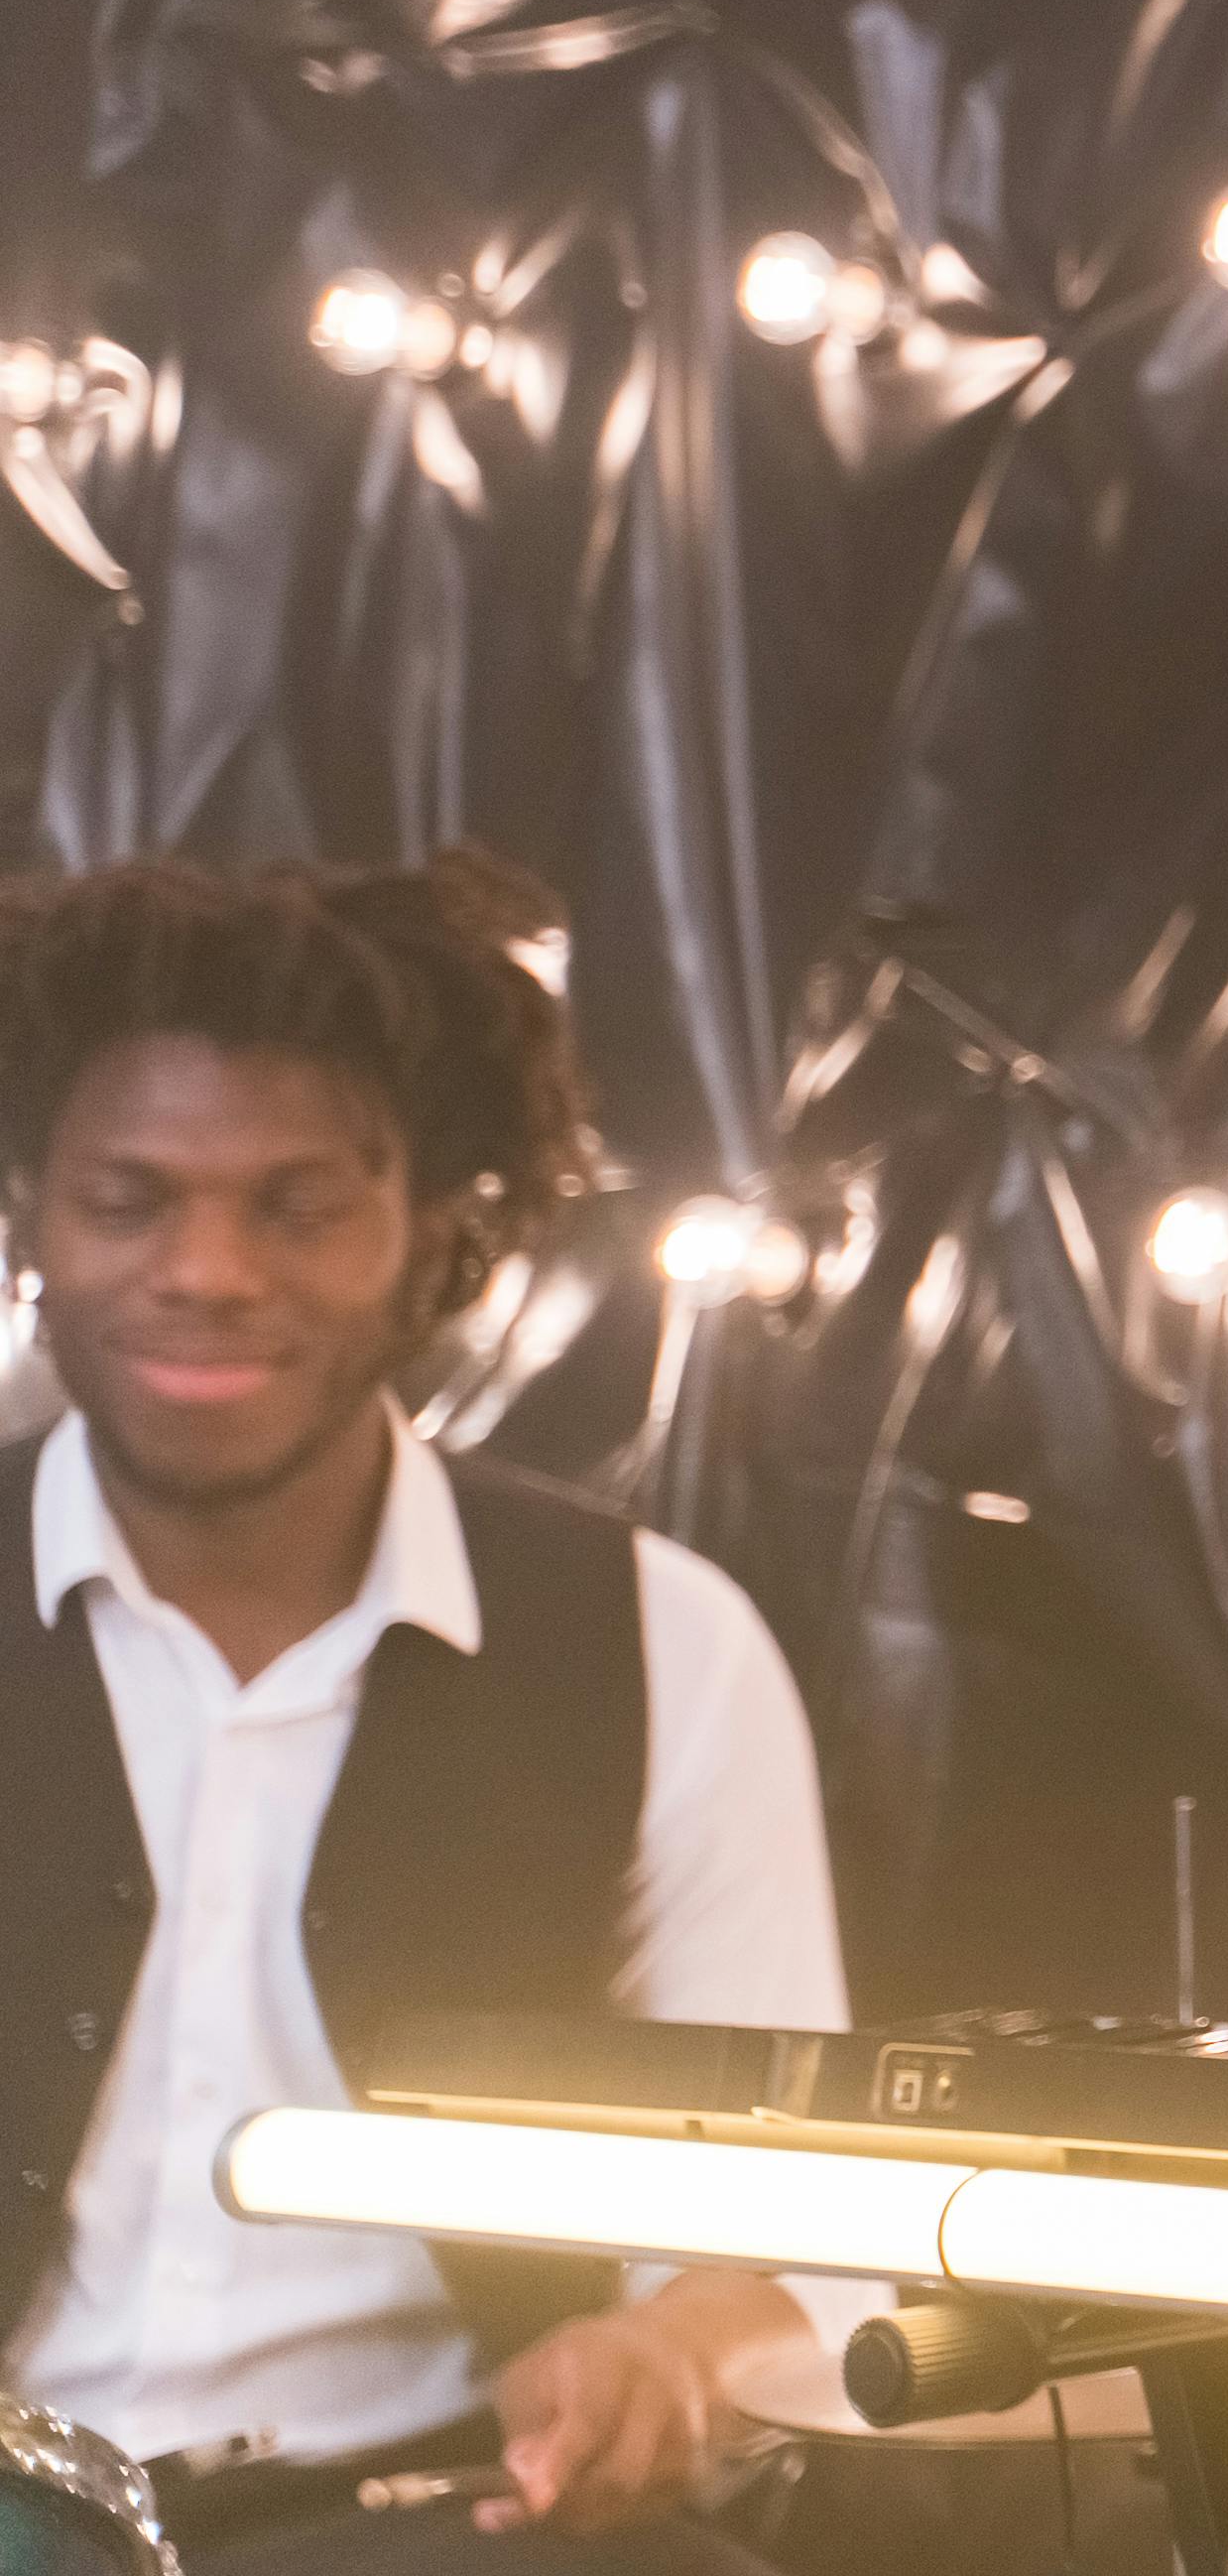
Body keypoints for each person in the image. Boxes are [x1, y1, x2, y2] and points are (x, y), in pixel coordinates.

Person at [0, 849, 853, 2573]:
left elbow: (808, 2225)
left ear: (436, 1241)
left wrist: (671, 2352)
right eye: (129, 1199)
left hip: (439, 2525)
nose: (209, 1269)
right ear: (28, 1218)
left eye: (297, 1206)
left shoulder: (661, 1645)